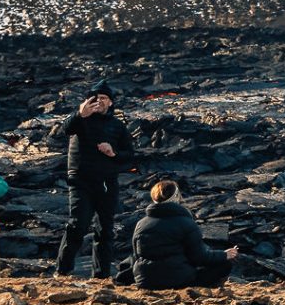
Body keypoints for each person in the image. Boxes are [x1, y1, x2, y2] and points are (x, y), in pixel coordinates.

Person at [51, 80, 135, 279]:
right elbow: (64, 131)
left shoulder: (118, 126)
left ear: (111, 102)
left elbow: (130, 155)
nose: (99, 101)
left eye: (103, 98)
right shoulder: (80, 119)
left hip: (107, 182)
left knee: (105, 230)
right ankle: (62, 271)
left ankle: (101, 276)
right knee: (77, 224)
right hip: (80, 180)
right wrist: (80, 114)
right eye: (94, 98)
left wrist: (113, 153)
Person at [131, 180, 239, 290]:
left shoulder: (141, 224)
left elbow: (136, 256)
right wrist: (224, 255)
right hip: (177, 281)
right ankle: (212, 290)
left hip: (145, 282)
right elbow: (199, 258)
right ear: (177, 196)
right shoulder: (186, 223)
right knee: (224, 264)